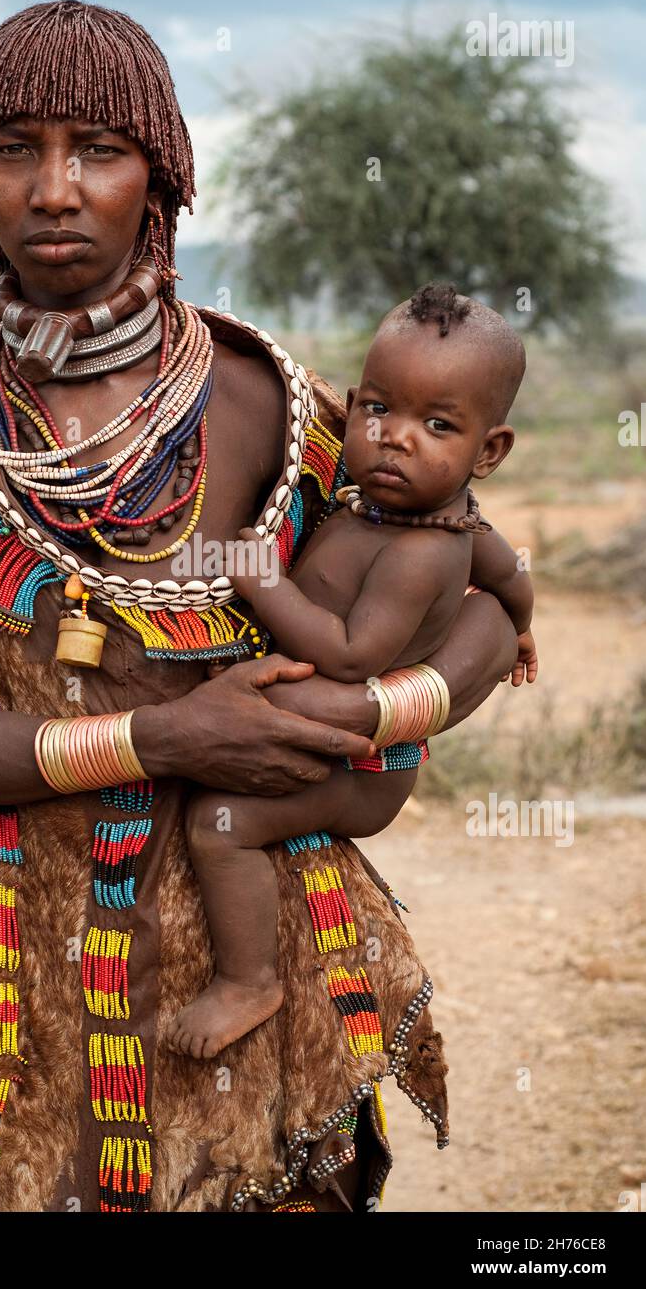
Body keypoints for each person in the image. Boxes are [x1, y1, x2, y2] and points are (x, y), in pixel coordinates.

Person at [0, 0, 517, 1213]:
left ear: (157, 180)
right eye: (13, 150)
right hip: (58, 978)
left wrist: (376, 709)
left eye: (98, 150)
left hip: (273, 959)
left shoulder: (273, 411)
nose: (54, 189)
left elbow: (474, 589)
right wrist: (162, 737)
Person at [170, 284, 537, 1060]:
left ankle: (248, 982)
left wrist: (259, 579)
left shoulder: (421, 551)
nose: (394, 439)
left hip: (367, 767)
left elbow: (348, 654)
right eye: (376, 410)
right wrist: (524, 625)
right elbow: (509, 578)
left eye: (437, 425)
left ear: (489, 451)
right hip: (340, 721)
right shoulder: (405, 511)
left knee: (218, 825)